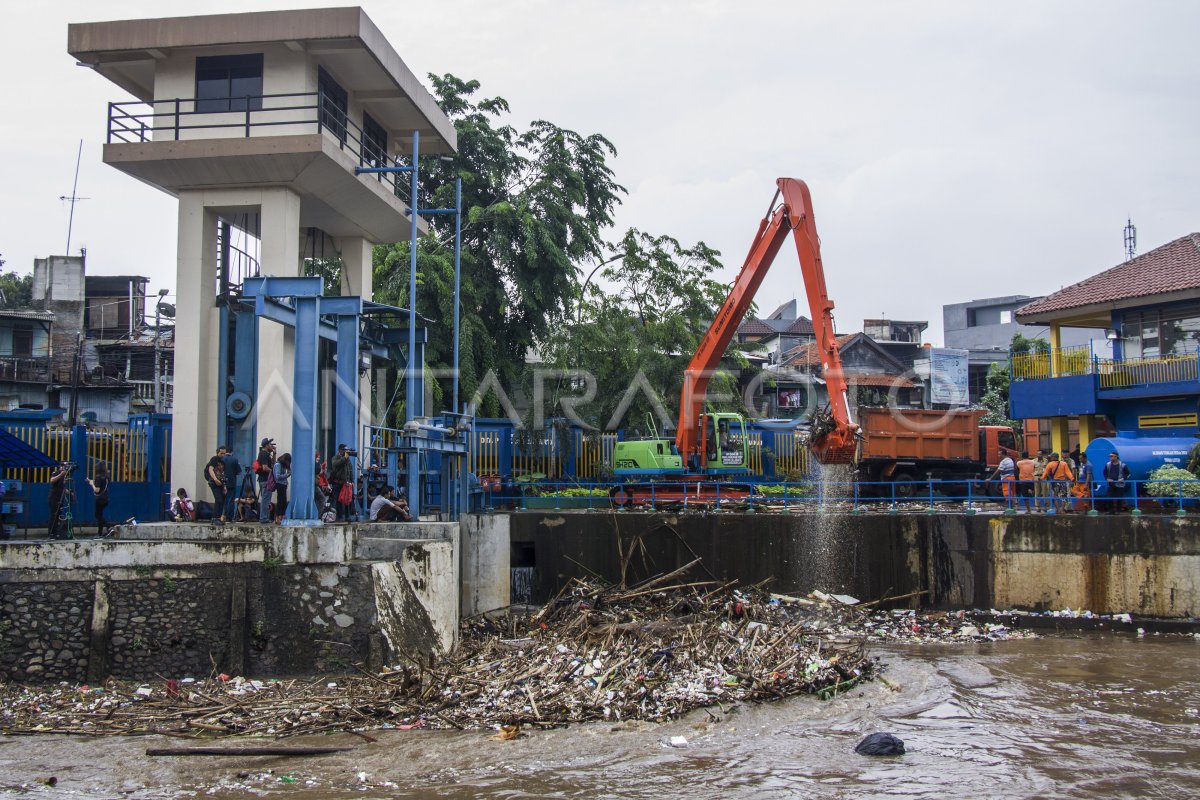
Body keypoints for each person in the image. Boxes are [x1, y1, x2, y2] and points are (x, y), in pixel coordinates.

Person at [46, 462, 71, 540]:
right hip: (54, 498)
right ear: (61, 466)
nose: (65, 468)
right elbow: (52, 480)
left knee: (58, 516)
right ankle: (51, 533)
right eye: (64, 466)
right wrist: (61, 474)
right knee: (53, 515)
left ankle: (56, 532)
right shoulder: (56, 473)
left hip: (60, 498)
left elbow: (62, 488)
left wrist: (69, 493)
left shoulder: (65, 476)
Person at [329, 443, 353, 521]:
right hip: (338, 483)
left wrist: (351, 480)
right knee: (339, 500)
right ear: (340, 450)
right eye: (344, 450)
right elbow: (336, 464)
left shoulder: (347, 459)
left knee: (347, 500)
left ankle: (347, 516)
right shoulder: (335, 458)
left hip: (346, 483)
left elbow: (350, 470)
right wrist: (345, 458)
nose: (346, 452)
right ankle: (339, 516)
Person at [86, 462, 111, 537]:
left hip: (99, 499)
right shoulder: (106, 477)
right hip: (105, 497)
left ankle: (108, 527)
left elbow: (97, 490)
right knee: (100, 515)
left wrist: (91, 484)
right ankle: (100, 532)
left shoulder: (98, 477)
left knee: (97, 515)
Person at [255, 437, 275, 523]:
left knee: (266, 499)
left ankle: (265, 517)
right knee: (265, 500)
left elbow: (272, 463)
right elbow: (265, 467)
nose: (272, 445)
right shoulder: (264, 454)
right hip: (266, 480)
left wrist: (274, 453)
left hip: (264, 479)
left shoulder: (265, 454)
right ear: (266, 445)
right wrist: (274, 472)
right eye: (270, 444)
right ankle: (263, 518)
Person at [221, 445, 242, 524]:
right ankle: (229, 517)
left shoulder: (222, 459)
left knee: (223, 500)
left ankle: (222, 515)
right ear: (232, 452)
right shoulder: (235, 460)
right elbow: (239, 471)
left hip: (222, 483)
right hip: (232, 482)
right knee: (230, 500)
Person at [205, 446, 226, 525]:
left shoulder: (223, 462)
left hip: (220, 483)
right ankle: (214, 518)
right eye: (221, 453)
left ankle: (218, 517)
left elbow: (222, 474)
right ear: (217, 452)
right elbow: (210, 469)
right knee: (219, 499)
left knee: (222, 500)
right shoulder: (214, 459)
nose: (223, 455)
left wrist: (224, 486)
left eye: (224, 453)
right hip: (213, 482)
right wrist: (215, 479)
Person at [272, 453, 292, 522]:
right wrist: (287, 475)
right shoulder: (278, 465)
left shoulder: (283, 465)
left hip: (283, 485)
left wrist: (289, 468)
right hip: (280, 485)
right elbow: (277, 476)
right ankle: (277, 517)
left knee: (284, 502)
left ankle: (282, 517)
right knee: (280, 501)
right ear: (285, 460)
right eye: (288, 461)